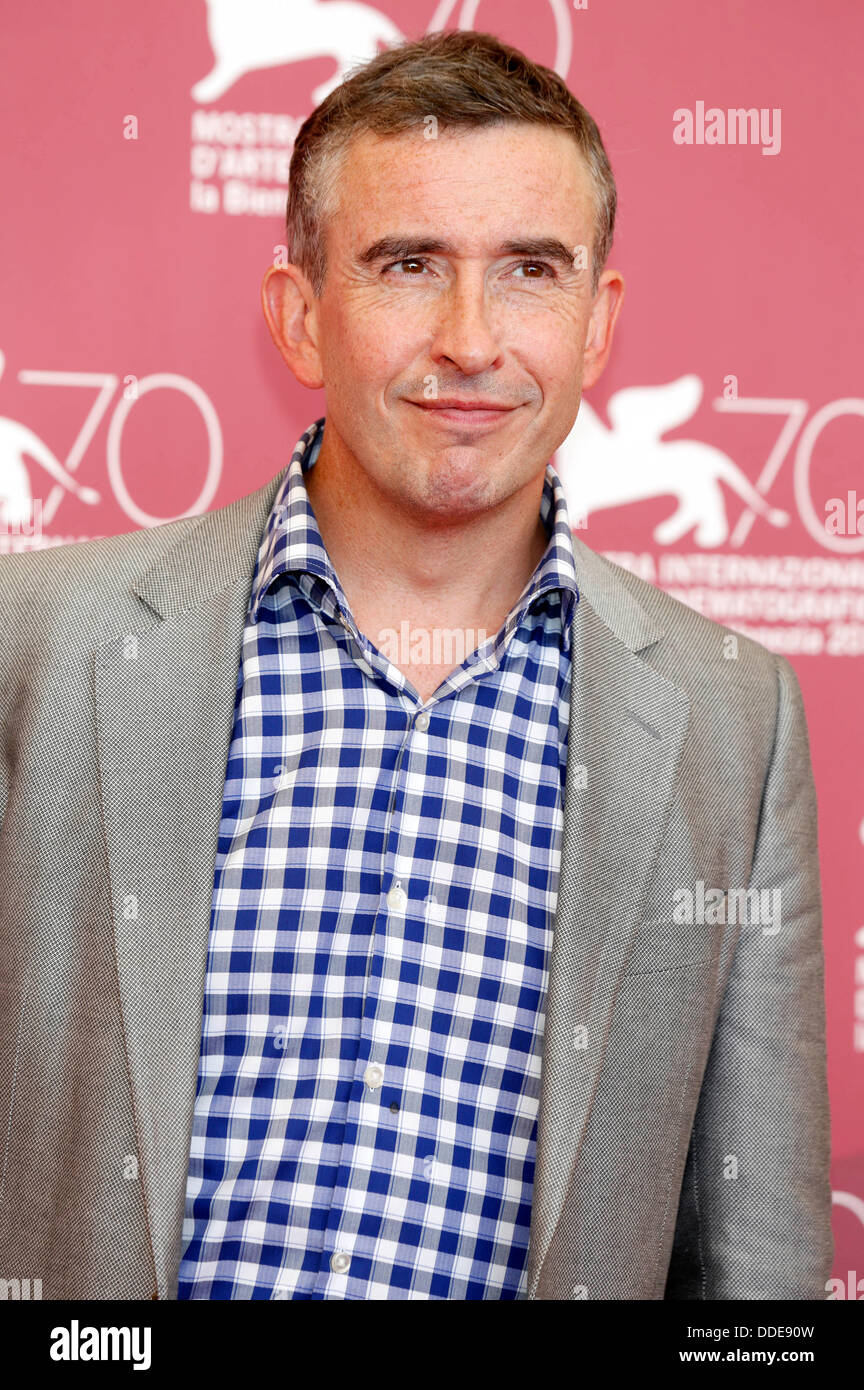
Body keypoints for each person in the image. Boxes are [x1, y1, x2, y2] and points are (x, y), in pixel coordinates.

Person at [0, 30, 832, 1301]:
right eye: (408, 266)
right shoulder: (37, 643)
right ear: (297, 313)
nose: (470, 339)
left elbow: (762, 1269)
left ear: (599, 324)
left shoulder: (736, 720)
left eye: (531, 272)